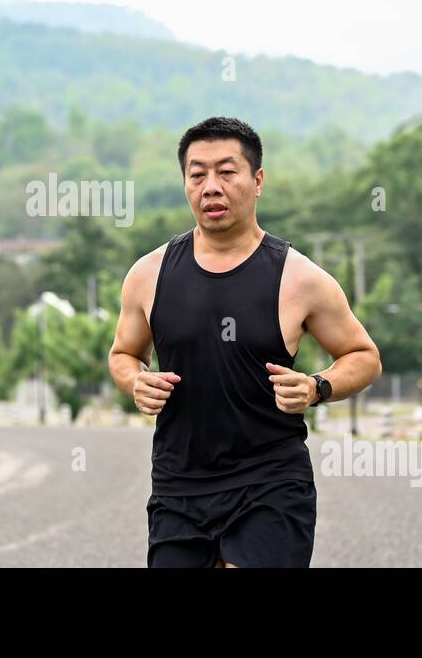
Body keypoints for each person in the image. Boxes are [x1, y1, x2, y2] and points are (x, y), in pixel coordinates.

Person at [108, 116, 382, 567]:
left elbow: (364, 356)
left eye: (226, 172)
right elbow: (123, 354)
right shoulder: (148, 275)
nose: (210, 187)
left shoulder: (299, 278)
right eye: (197, 175)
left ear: (258, 181)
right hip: (180, 485)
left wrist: (317, 387)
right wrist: (135, 381)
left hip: (271, 481)